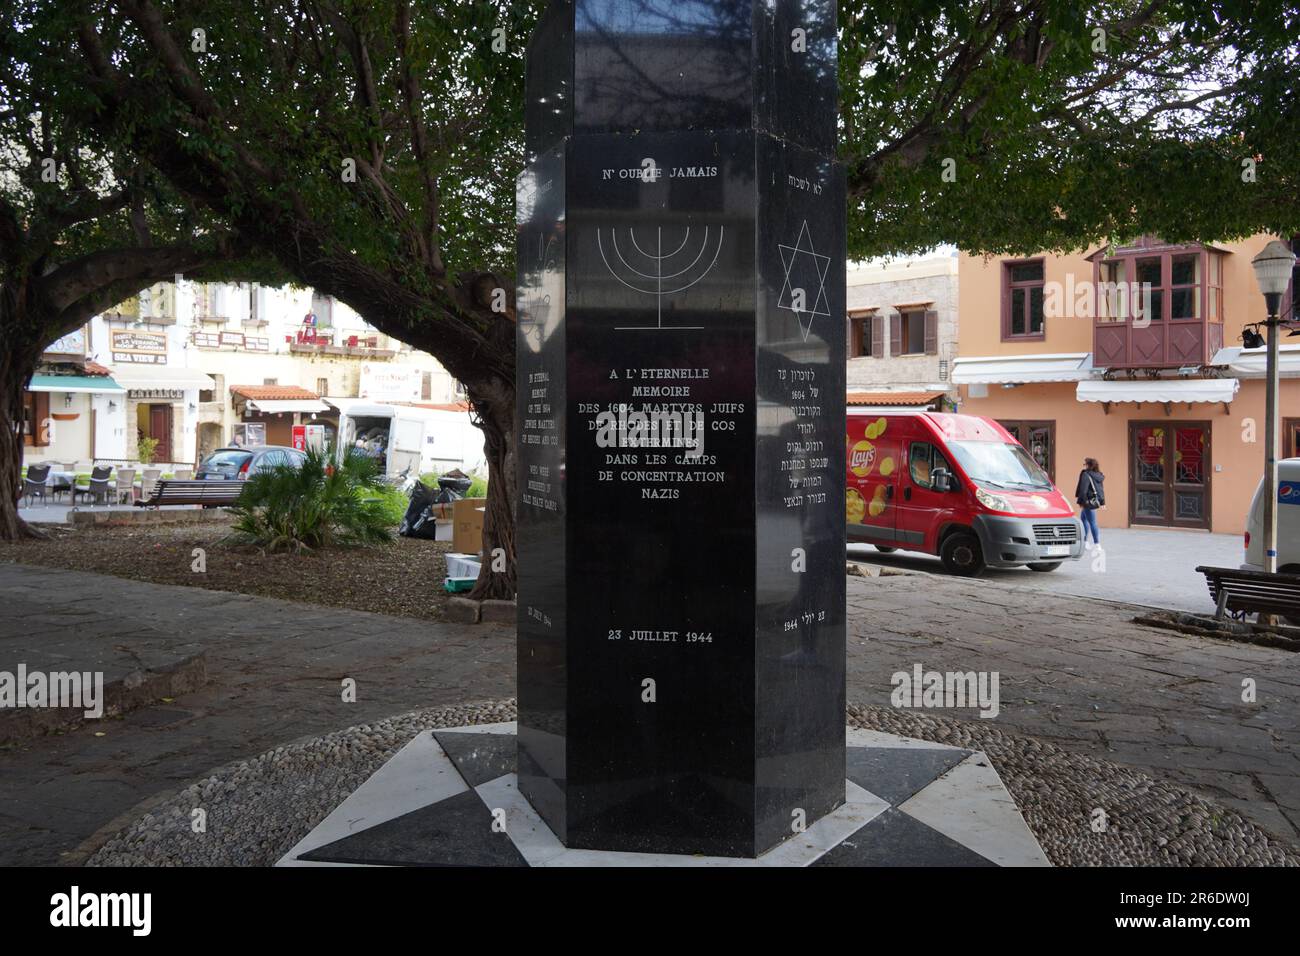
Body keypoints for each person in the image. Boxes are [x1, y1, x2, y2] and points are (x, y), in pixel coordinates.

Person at [1075, 458, 1106, 547]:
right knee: (1084, 520)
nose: (1084, 466)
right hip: (1092, 501)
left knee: (1092, 522)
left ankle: (1097, 544)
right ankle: (1085, 542)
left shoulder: (1086, 474)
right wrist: (1103, 502)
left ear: (1089, 465)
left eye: (1085, 464)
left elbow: (1083, 490)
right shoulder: (1098, 475)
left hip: (1087, 502)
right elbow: (1101, 490)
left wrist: (1082, 502)